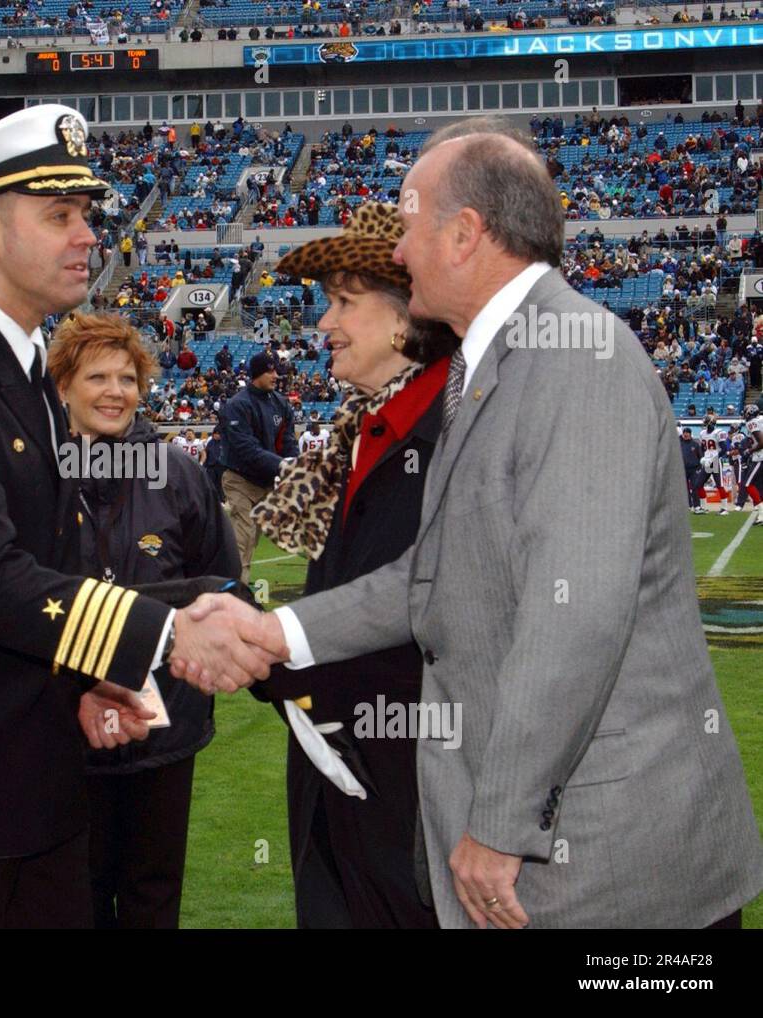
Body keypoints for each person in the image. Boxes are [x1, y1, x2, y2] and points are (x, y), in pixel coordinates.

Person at [186, 118, 763, 928]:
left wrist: (499, 823)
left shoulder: (577, 360)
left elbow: (579, 616)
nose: (397, 251)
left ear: (464, 235)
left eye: (410, 224)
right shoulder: (491, 370)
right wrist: (276, 635)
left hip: (604, 867)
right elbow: (436, 573)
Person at [0, 105, 282, 930]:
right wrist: (165, 634)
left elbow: (49, 570)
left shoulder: (21, 370)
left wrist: (87, 683)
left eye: (85, 214)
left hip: (43, 768)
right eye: (60, 216)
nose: (88, 234)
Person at [249, 202, 458, 928]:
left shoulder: (454, 433)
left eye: (343, 302)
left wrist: (264, 650)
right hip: (343, 770)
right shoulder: (364, 426)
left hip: (406, 785)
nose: (323, 325)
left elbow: (420, 613)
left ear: (406, 317)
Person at [48, 311, 241, 929]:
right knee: (72, 894)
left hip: (165, 726)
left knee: (152, 895)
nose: (115, 391)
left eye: (127, 378)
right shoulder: (35, 478)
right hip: (64, 727)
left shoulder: (179, 473)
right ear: (63, 388)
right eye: (97, 376)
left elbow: (221, 583)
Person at [216, 352, 296, 583]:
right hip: (240, 478)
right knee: (243, 536)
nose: (275, 375)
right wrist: (282, 464)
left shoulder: (280, 403)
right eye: (270, 371)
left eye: (276, 370)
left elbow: (287, 439)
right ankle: (234, 594)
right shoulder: (237, 405)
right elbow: (246, 449)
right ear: (257, 374)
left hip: (266, 481)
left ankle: (232, 585)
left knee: (252, 538)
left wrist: (295, 462)